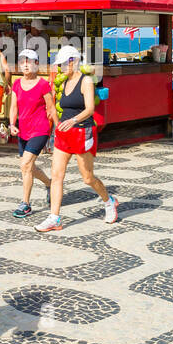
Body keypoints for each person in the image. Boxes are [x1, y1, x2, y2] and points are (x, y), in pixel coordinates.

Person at [36, 45, 118, 232]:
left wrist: (73, 121)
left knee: (88, 178)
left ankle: (109, 201)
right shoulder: (64, 82)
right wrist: (57, 125)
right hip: (64, 133)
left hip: (82, 131)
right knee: (56, 176)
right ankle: (54, 217)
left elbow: (89, 109)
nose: (60, 68)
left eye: (63, 64)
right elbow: (60, 107)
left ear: (72, 62)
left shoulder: (86, 81)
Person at [7, 49, 55, 219]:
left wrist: (55, 132)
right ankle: (49, 184)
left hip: (40, 129)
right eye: (22, 61)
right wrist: (12, 124)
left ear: (36, 64)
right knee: (29, 167)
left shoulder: (43, 84)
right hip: (23, 130)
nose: (25, 64)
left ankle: (25, 204)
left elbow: (51, 108)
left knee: (25, 165)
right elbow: (13, 107)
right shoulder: (17, 84)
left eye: (29, 61)